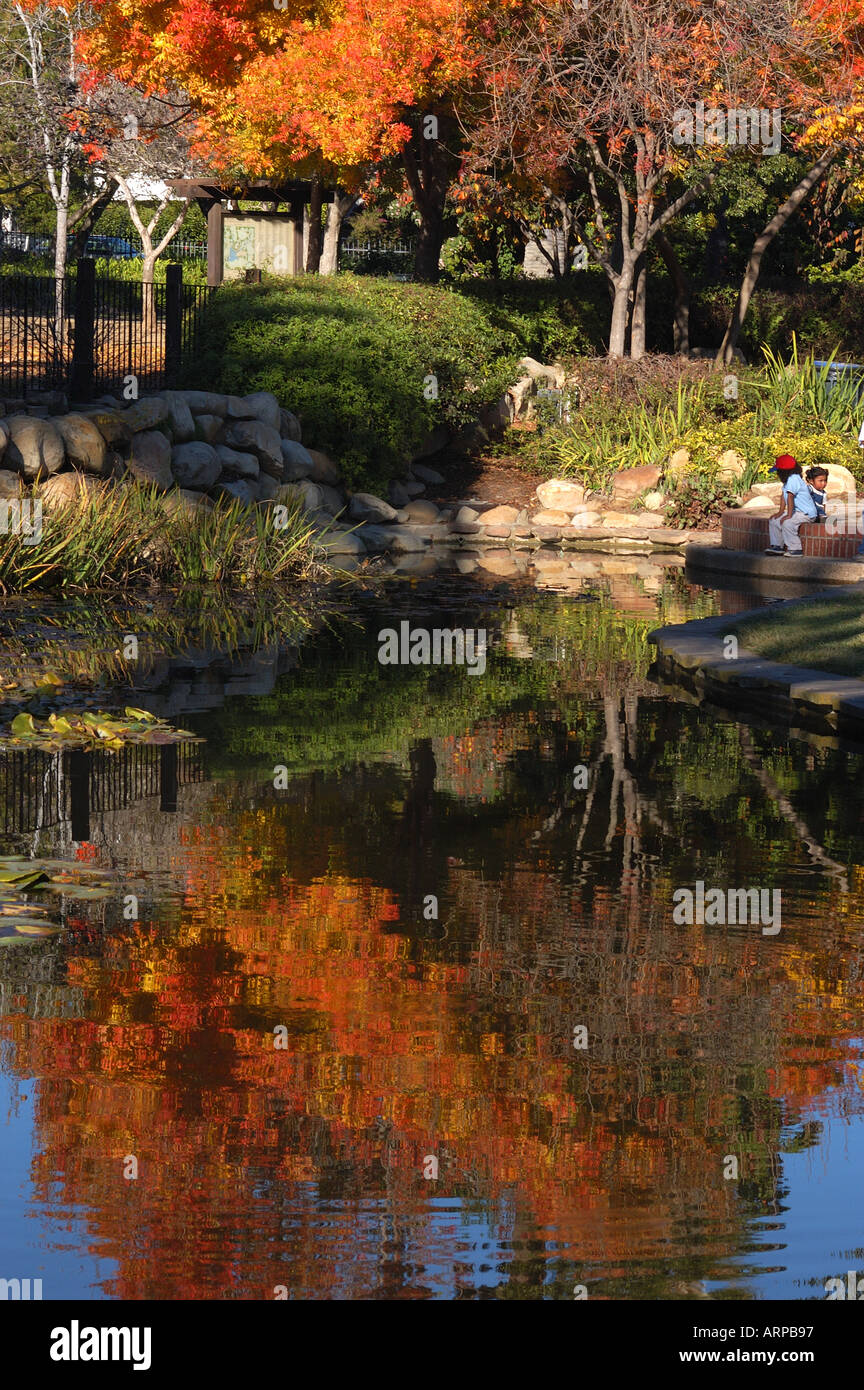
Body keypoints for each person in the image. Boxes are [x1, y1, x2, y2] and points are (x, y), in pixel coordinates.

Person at [765, 454, 818, 555]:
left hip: (806, 513)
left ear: (783, 471)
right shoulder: (788, 481)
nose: (777, 473)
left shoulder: (794, 479)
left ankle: (796, 548)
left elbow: (790, 497)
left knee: (788, 523)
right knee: (774, 520)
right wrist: (780, 512)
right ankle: (777, 546)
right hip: (797, 512)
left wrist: (789, 515)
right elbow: (783, 496)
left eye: (778, 471)